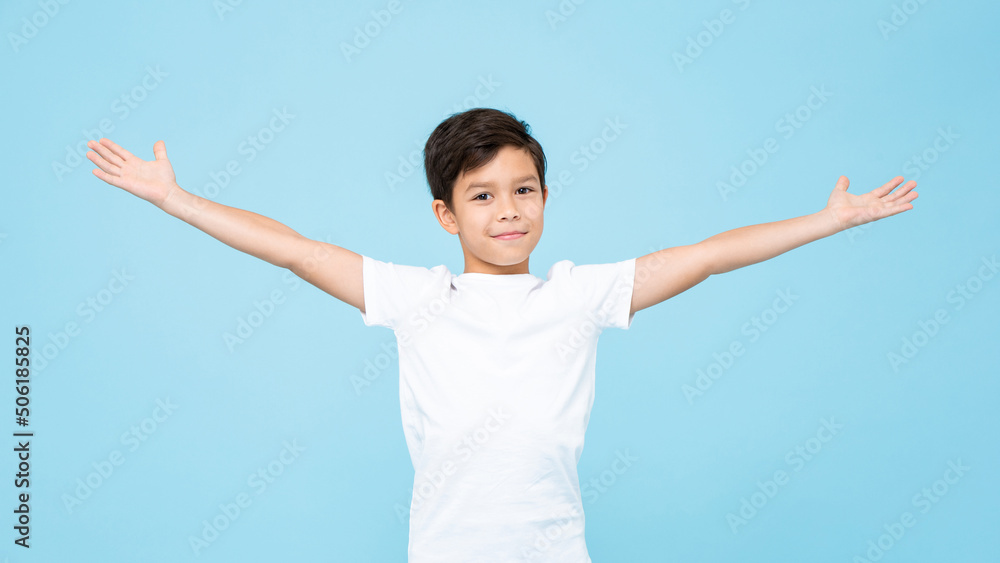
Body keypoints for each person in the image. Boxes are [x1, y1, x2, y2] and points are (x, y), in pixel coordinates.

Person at [86, 107, 917, 562]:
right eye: (482, 196)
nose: (509, 209)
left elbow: (701, 258)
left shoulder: (580, 294)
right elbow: (297, 251)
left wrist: (828, 219)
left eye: (524, 189)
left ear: (547, 199)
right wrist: (176, 198)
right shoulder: (414, 297)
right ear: (444, 215)